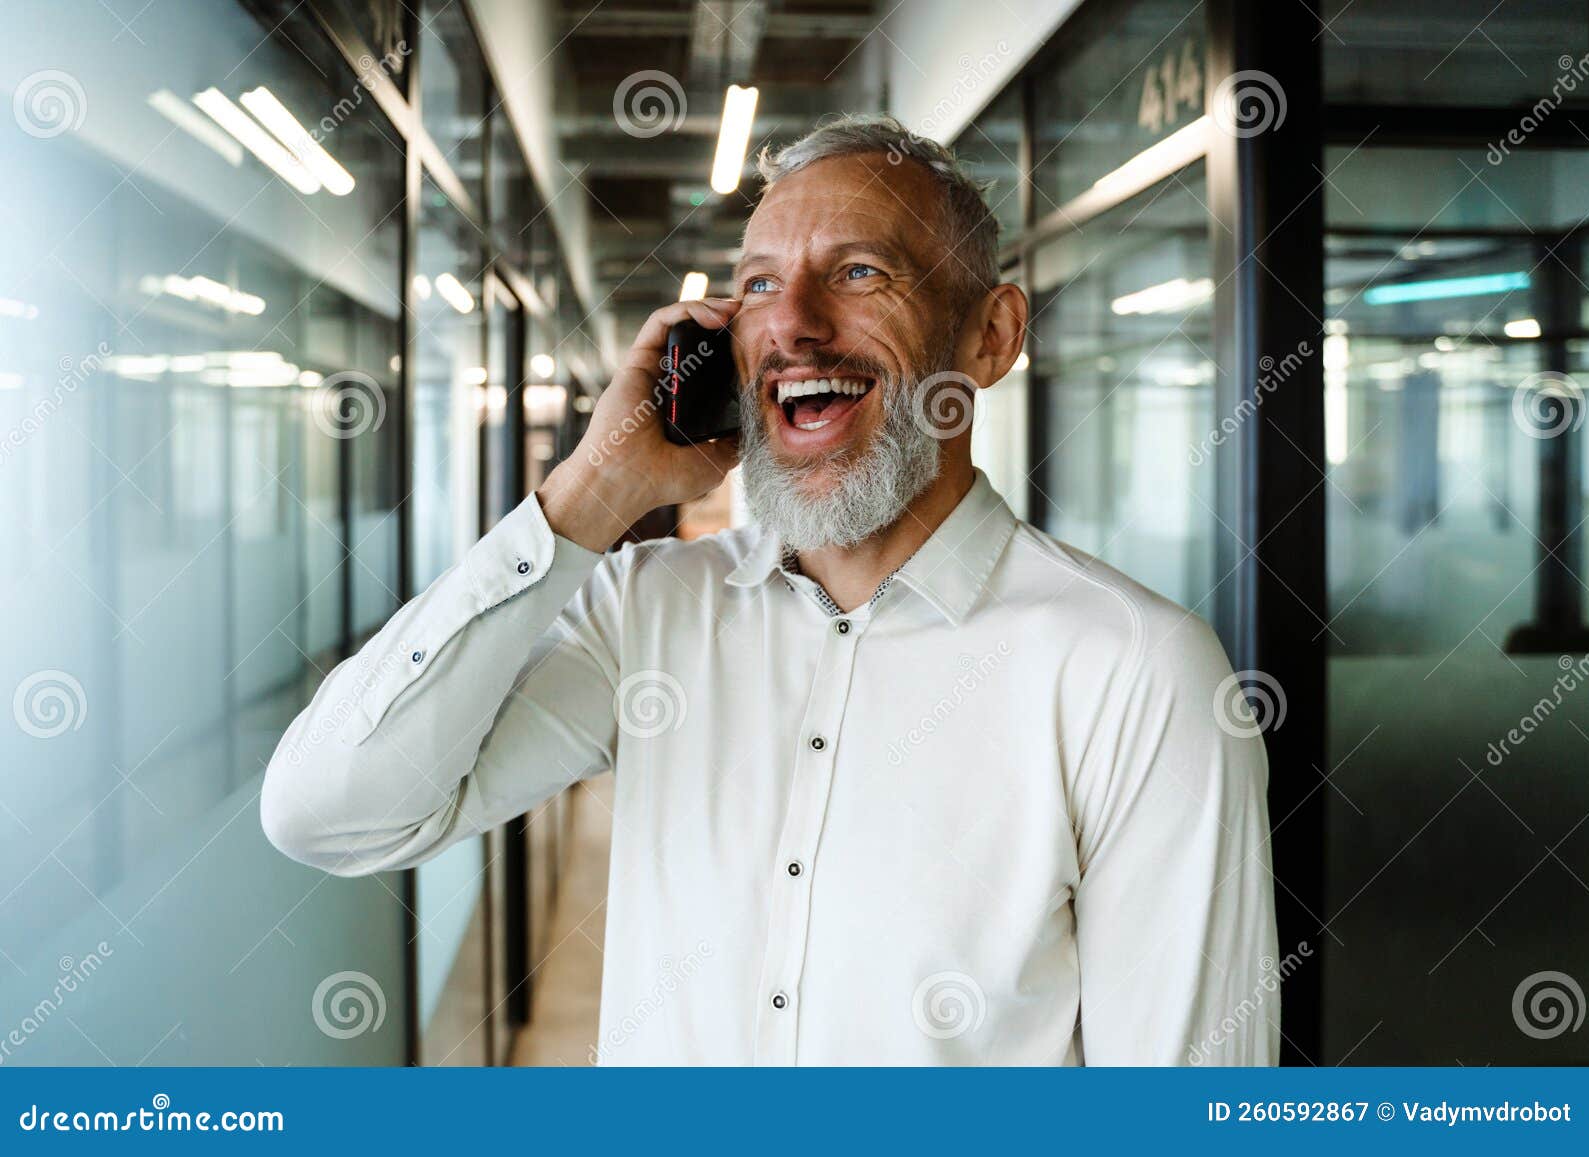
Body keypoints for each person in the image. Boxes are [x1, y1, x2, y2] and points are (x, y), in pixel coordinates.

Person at [261, 114, 1279, 1066]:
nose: (793, 323)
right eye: (753, 287)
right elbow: (331, 812)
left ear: (989, 336)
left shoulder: (1135, 670)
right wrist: (592, 489)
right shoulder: (648, 610)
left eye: (860, 271)